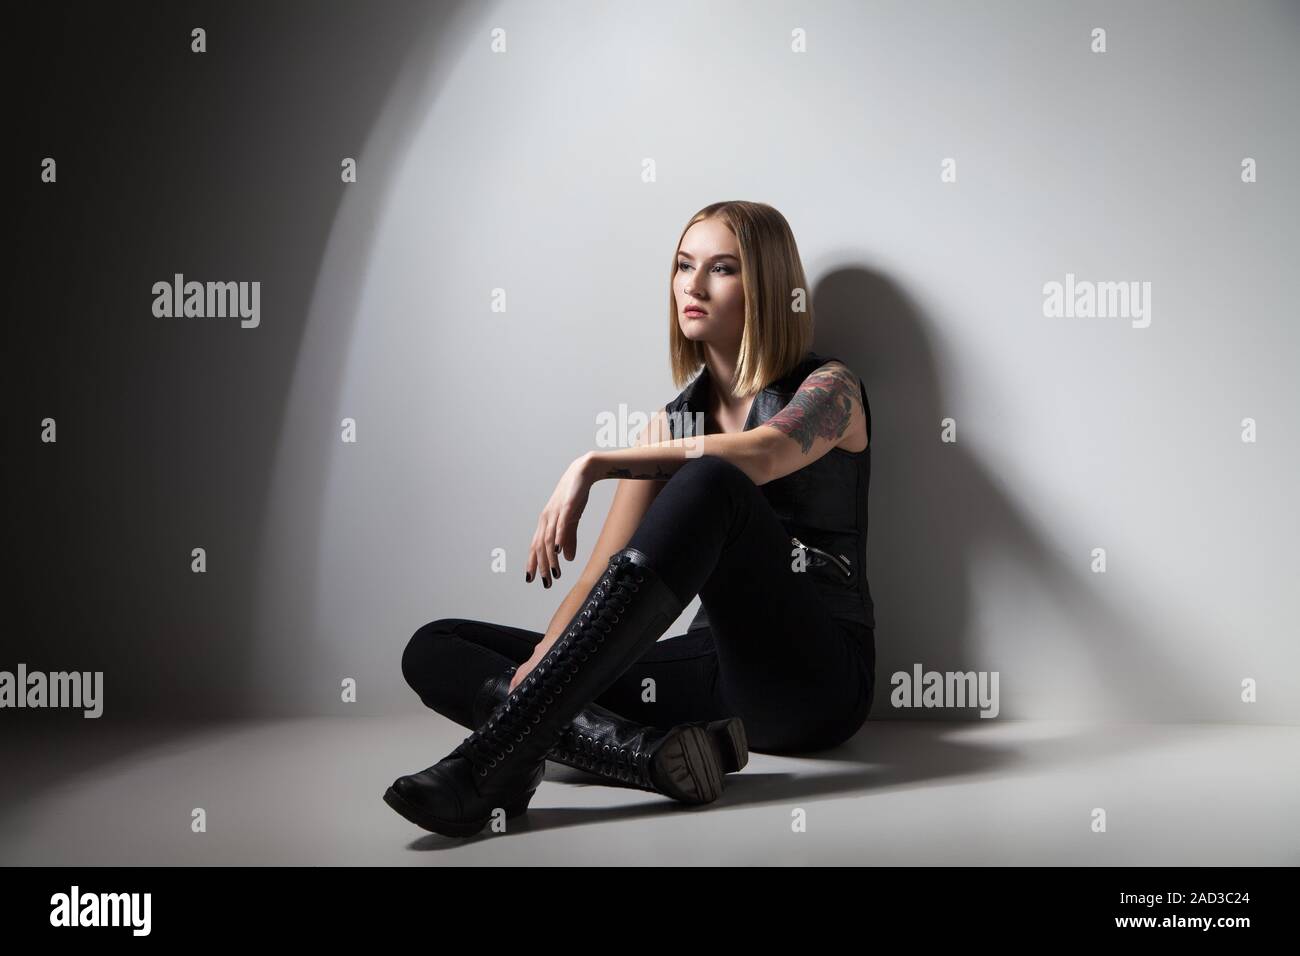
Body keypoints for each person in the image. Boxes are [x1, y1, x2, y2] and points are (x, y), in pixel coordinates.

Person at [386, 200, 877, 838]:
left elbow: (764, 453)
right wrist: (543, 667)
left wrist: (597, 463)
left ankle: (491, 764)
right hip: (712, 679)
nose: (692, 286)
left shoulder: (831, 390)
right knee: (436, 646)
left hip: (814, 680)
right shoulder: (671, 424)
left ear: (767, 287)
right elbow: (597, 579)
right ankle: (650, 759)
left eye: (721, 268)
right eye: (683, 266)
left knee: (710, 478)